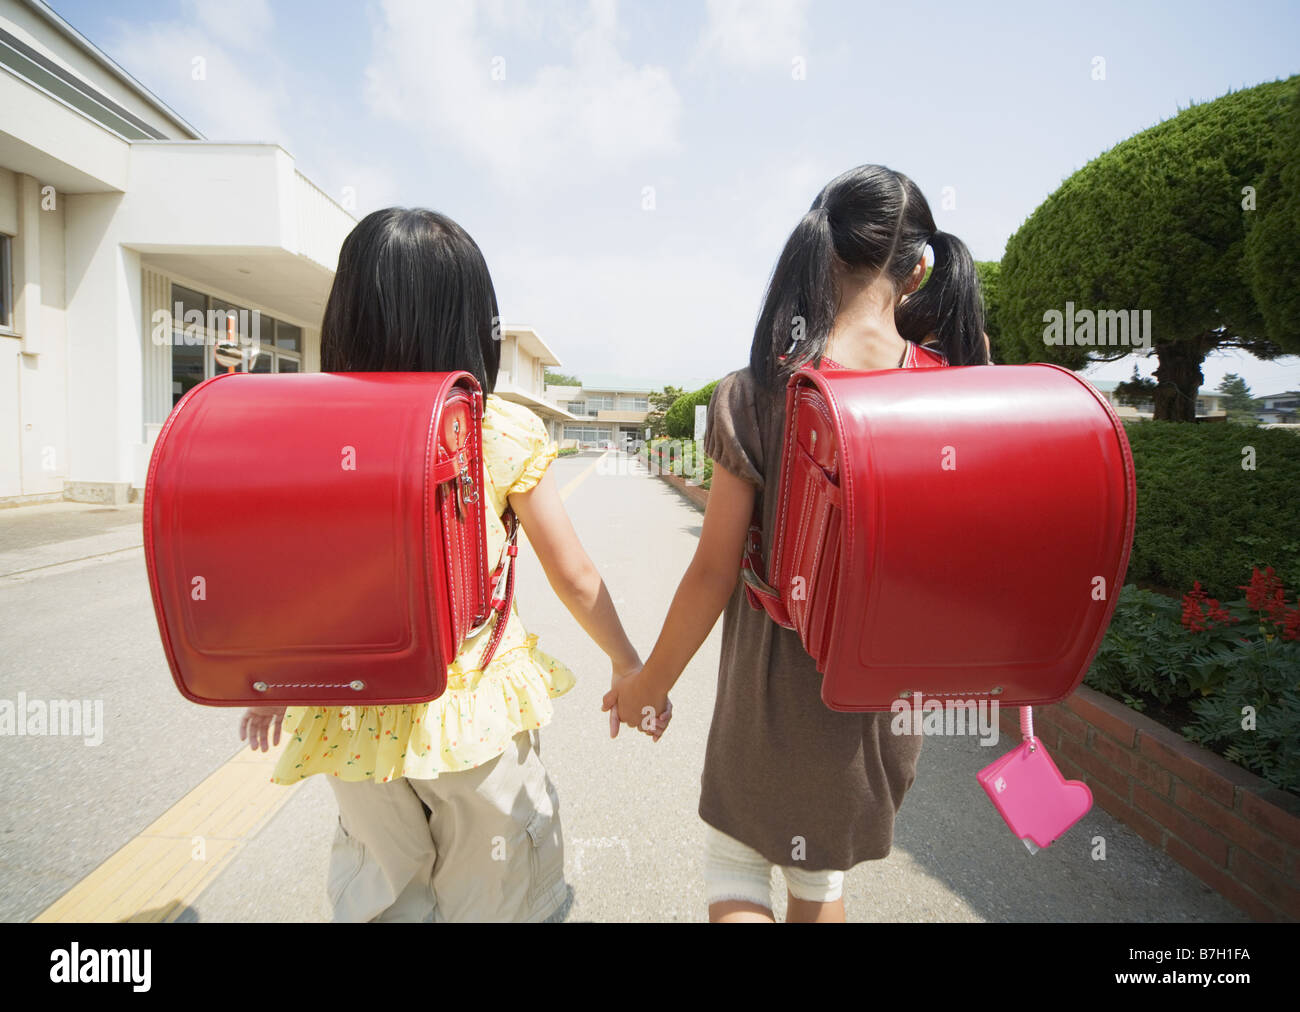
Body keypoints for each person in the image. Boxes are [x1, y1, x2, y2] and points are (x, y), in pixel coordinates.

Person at [237, 207, 666, 922]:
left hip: (353, 715)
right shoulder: (497, 428)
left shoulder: (309, 424)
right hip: (472, 714)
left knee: (385, 894)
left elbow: (297, 571)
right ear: (473, 318)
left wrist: (272, 678)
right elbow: (574, 574)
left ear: (347, 312)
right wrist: (628, 664)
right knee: (498, 895)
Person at [604, 164, 990, 922]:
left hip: (770, 692)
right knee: (820, 884)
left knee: (737, 867)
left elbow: (714, 572)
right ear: (919, 268)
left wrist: (650, 684)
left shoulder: (757, 392)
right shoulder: (955, 394)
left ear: (819, 254)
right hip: (880, 700)